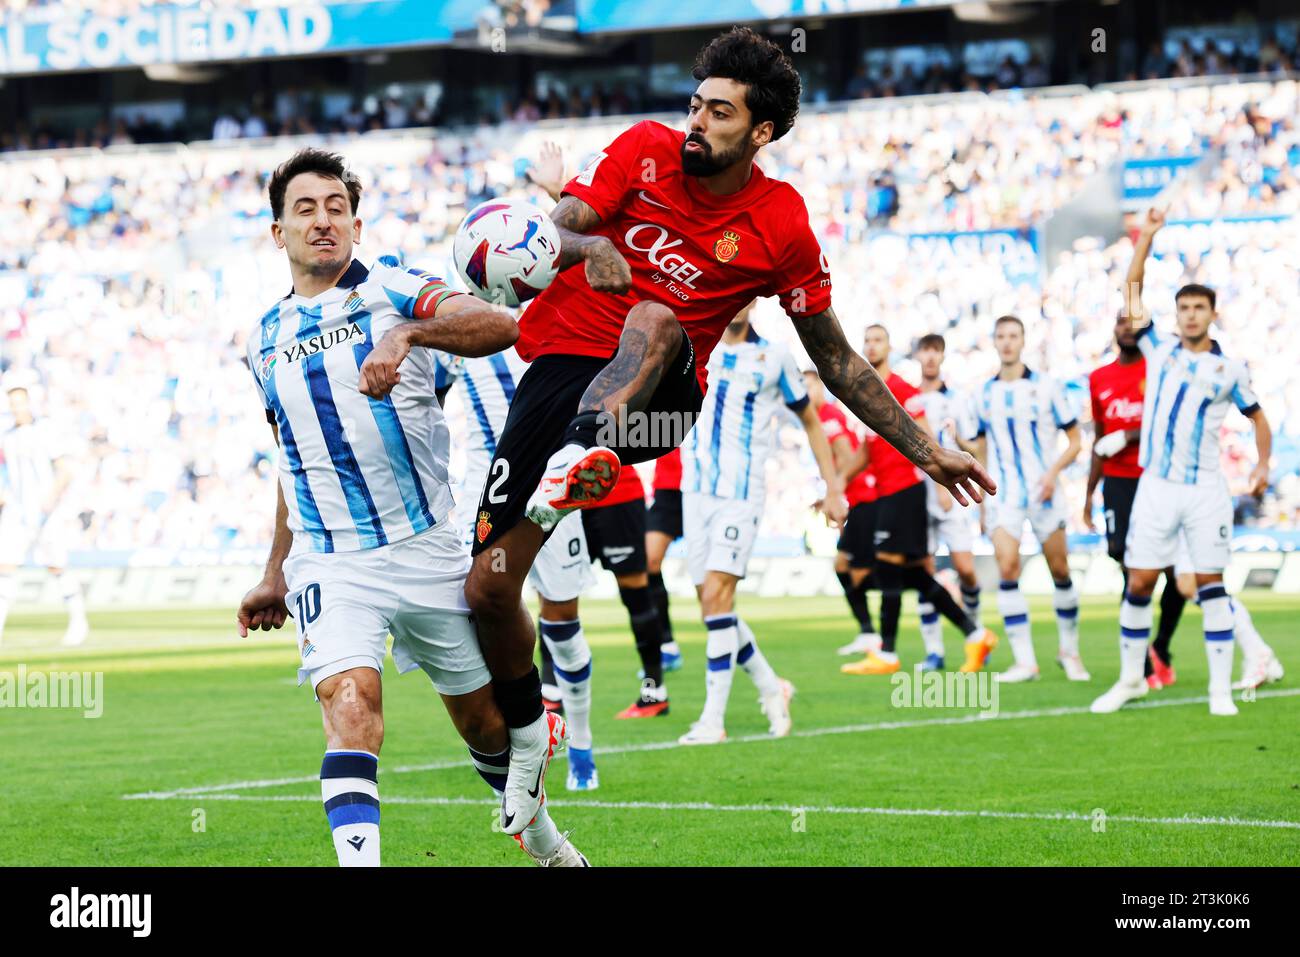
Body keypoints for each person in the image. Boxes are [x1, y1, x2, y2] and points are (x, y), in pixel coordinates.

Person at [444, 27, 993, 811]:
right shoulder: (639, 150)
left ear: (761, 131)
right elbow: (553, 227)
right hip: (560, 373)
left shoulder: (781, 224)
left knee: (657, 319)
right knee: (488, 591)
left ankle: (581, 455)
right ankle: (531, 738)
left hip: (655, 409)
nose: (697, 122)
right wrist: (579, 245)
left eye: (721, 114)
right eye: (696, 106)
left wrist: (926, 447)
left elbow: (835, 358)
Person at [235, 147, 585, 865]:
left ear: (356, 225)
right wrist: (275, 568)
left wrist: (409, 333)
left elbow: (498, 324)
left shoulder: (395, 286)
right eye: (305, 209)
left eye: (336, 208)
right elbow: (292, 458)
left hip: (426, 546)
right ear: (279, 232)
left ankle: (546, 844)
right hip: (332, 562)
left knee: (485, 726)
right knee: (351, 705)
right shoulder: (261, 341)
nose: (323, 221)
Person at [1091, 208, 1275, 717]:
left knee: (1211, 584)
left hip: (1205, 489)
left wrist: (1262, 466)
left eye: (1199, 307)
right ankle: (1131, 678)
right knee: (1140, 582)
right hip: (1157, 485)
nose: (1191, 314)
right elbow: (1130, 290)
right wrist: (1146, 237)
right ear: (1176, 315)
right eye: (1185, 307)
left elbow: (1259, 419)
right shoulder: (1159, 350)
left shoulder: (1229, 369)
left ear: (1212, 314)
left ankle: (1219, 691)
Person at [677, 303, 845, 744]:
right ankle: (773, 687)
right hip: (694, 489)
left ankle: (713, 721)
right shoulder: (696, 345)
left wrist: (832, 488)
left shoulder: (776, 358)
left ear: (753, 300)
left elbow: (810, 421)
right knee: (713, 607)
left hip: (741, 494)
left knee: (716, 597)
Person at [840, 325, 997, 676]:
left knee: (885, 566)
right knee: (915, 575)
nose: (871, 346)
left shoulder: (900, 390)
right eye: (867, 341)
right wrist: (837, 482)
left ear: (890, 346)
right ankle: (976, 634)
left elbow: (924, 431)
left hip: (904, 491)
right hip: (888, 492)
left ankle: (888, 652)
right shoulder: (866, 394)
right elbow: (867, 451)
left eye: (878, 339)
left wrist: (940, 481)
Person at [958, 316, 1088, 683]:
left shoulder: (1048, 387)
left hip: (1044, 490)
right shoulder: (982, 394)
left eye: (1014, 335)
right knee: (1008, 568)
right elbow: (979, 448)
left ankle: (1069, 651)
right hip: (1004, 493)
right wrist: (982, 498)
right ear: (995, 342)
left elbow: (1076, 440)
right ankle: (1025, 662)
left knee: (1059, 570)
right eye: (1001, 336)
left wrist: (1051, 474)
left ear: (1023, 339)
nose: (1008, 342)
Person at [1084, 311, 1186, 688]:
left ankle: (1161, 645)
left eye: (1133, 323)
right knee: (1130, 568)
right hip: (1118, 485)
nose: (1125, 328)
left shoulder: (1160, 371)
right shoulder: (1099, 378)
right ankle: (1141, 660)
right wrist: (1088, 494)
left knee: (1178, 573)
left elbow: (1169, 422)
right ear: (1113, 329)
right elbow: (1098, 439)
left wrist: (1128, 436)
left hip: (1160, 480)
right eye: (1120, 322)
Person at [0, 378, 89, 648]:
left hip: (46, 512)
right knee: (4, 567)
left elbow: (65, 470)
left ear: (29, 403)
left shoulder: (44, 432)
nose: (17, 408)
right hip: (18, 511)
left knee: (56, 565)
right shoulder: (7, 436)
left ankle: (79, 621)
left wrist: (49, 499)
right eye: (12, 403)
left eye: (20, 402)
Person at [914, 333, 982, 668]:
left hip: (952, 495)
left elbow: (972, 448)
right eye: (925, 351)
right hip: (917, 495)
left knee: (967, 571)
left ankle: (975, 636)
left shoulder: (956, 400)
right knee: (924, 572)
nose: (929, 358)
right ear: (917, 356)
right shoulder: (908, 399)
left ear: (942, 356)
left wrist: (958, 441)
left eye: (935, 351)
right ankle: (935, 651)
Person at [803, 369, 881, 657]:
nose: (807, 393)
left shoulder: (828, 419)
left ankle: (917, 583)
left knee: (854, 570)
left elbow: (848, 458)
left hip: (864, 496)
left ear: (821, 390)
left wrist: (833, 494)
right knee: (846, 567)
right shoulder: (821, 419)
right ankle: (868, 631)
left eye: (811, 386)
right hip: (857, 497)